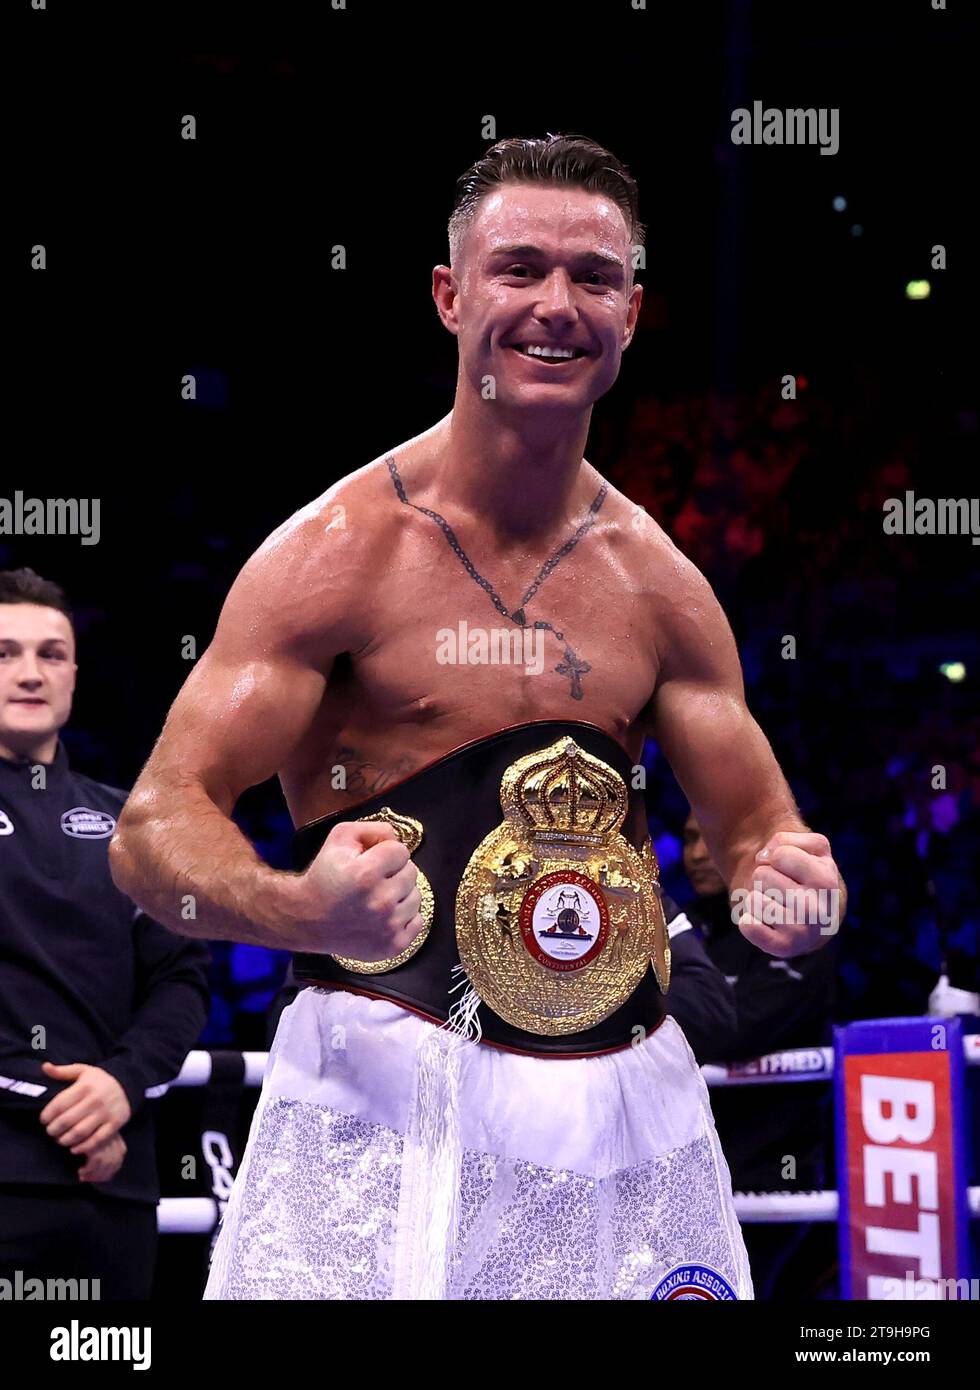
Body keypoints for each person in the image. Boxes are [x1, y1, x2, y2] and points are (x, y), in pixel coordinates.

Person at [110, 134, 845, 1301]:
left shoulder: (659, 586)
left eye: (593, 278)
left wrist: (791, 892)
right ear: (450, 296)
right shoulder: (334, 557)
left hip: (621, 1109)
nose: (556, 305)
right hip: (381, 1092)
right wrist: (293, 906)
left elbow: (761, 837)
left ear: (633, 311)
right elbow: (154, 828)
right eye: (519, 268)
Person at [0, 568, 211, 1299]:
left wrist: (119, 1088)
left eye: (50, 654)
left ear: (75, 674)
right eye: (5, 654)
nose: (30, 674)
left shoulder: (130, 826)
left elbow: (182, 979)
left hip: (114, 1189)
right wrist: (71, 1111)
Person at [680, 810, 836, 1299]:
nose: (699, 854)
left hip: (776, 1168)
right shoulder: (686, 927)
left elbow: (730, 1028)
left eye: (711, 838)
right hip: (694, 1166)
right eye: (689, 840)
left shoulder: (796, 930)